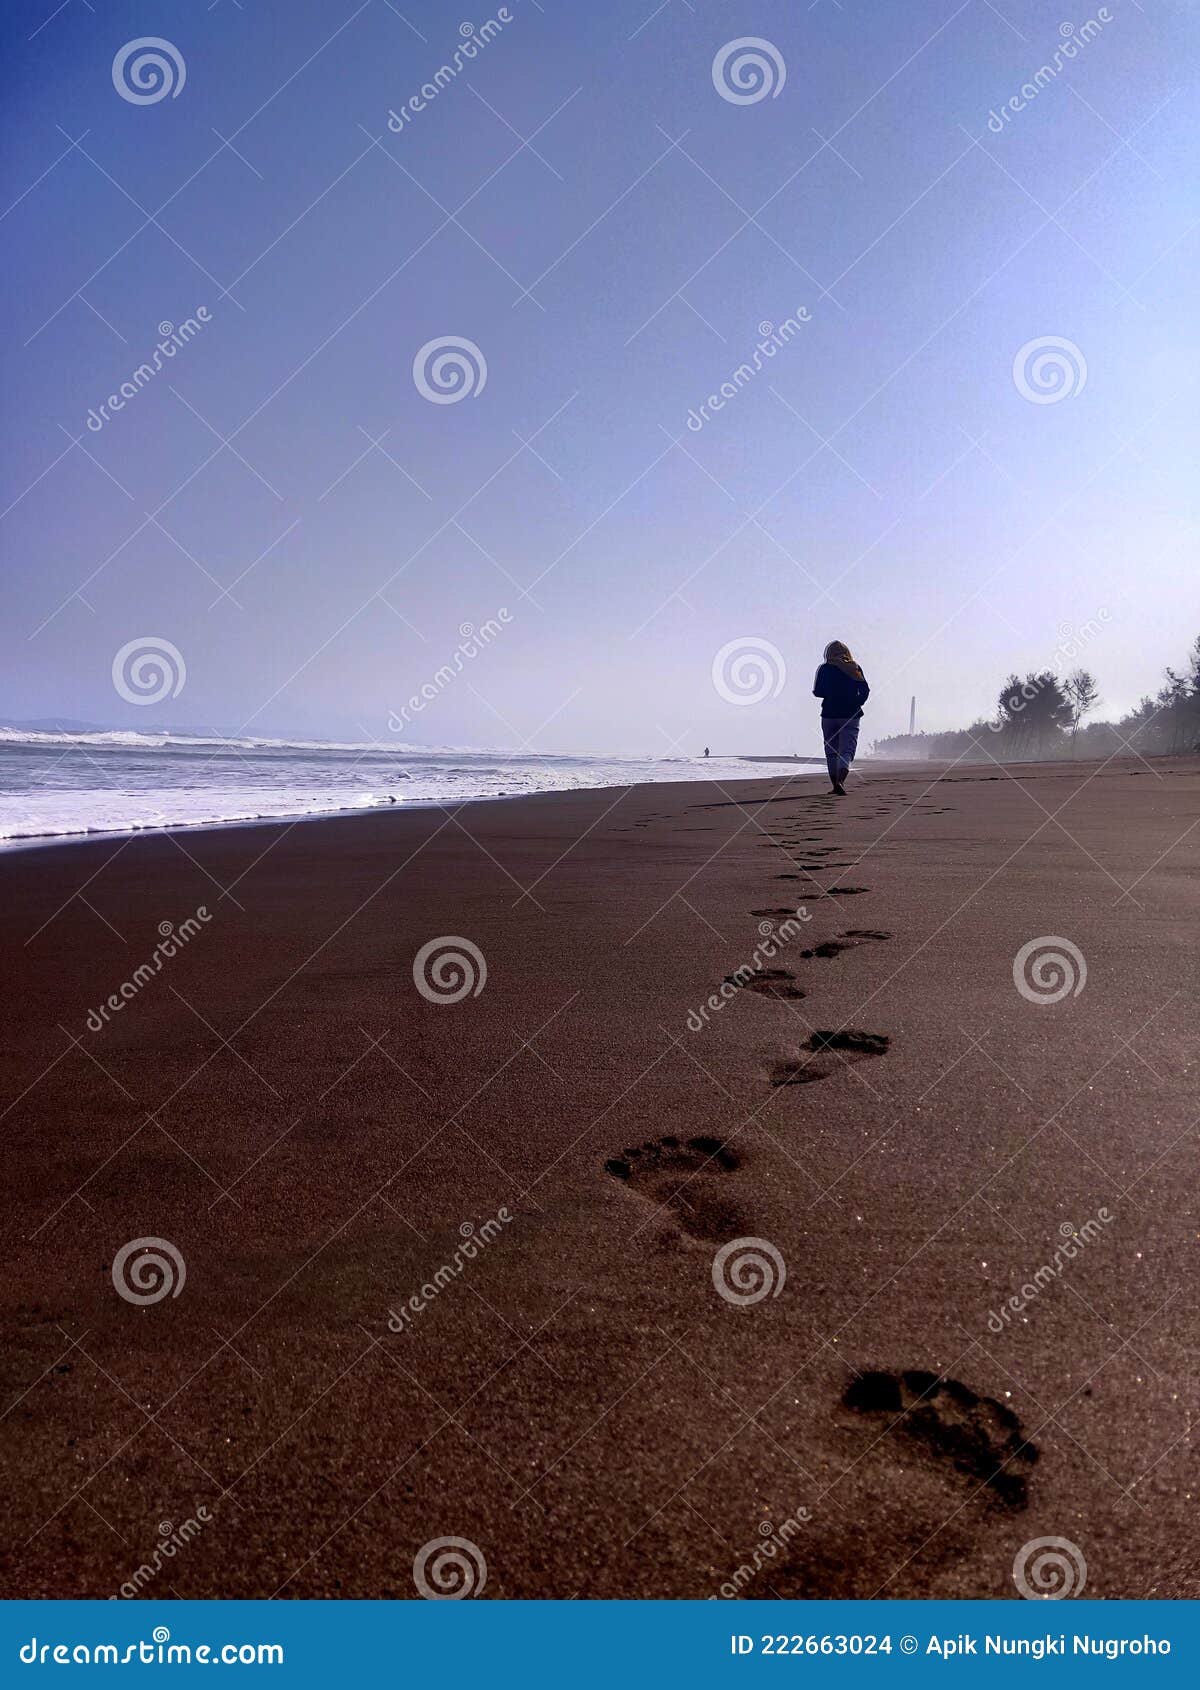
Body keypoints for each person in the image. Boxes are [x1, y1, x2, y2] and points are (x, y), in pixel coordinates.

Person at [813, 640, 869, 795]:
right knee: (847, 749)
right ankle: (840, 781)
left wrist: (830, 693)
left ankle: (834, 784)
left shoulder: (824, 669)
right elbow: (865, 689)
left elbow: (818, 691)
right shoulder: (854, 668)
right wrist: (858, 702)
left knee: (831, 750)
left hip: (829, 713)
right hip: (851, 714)